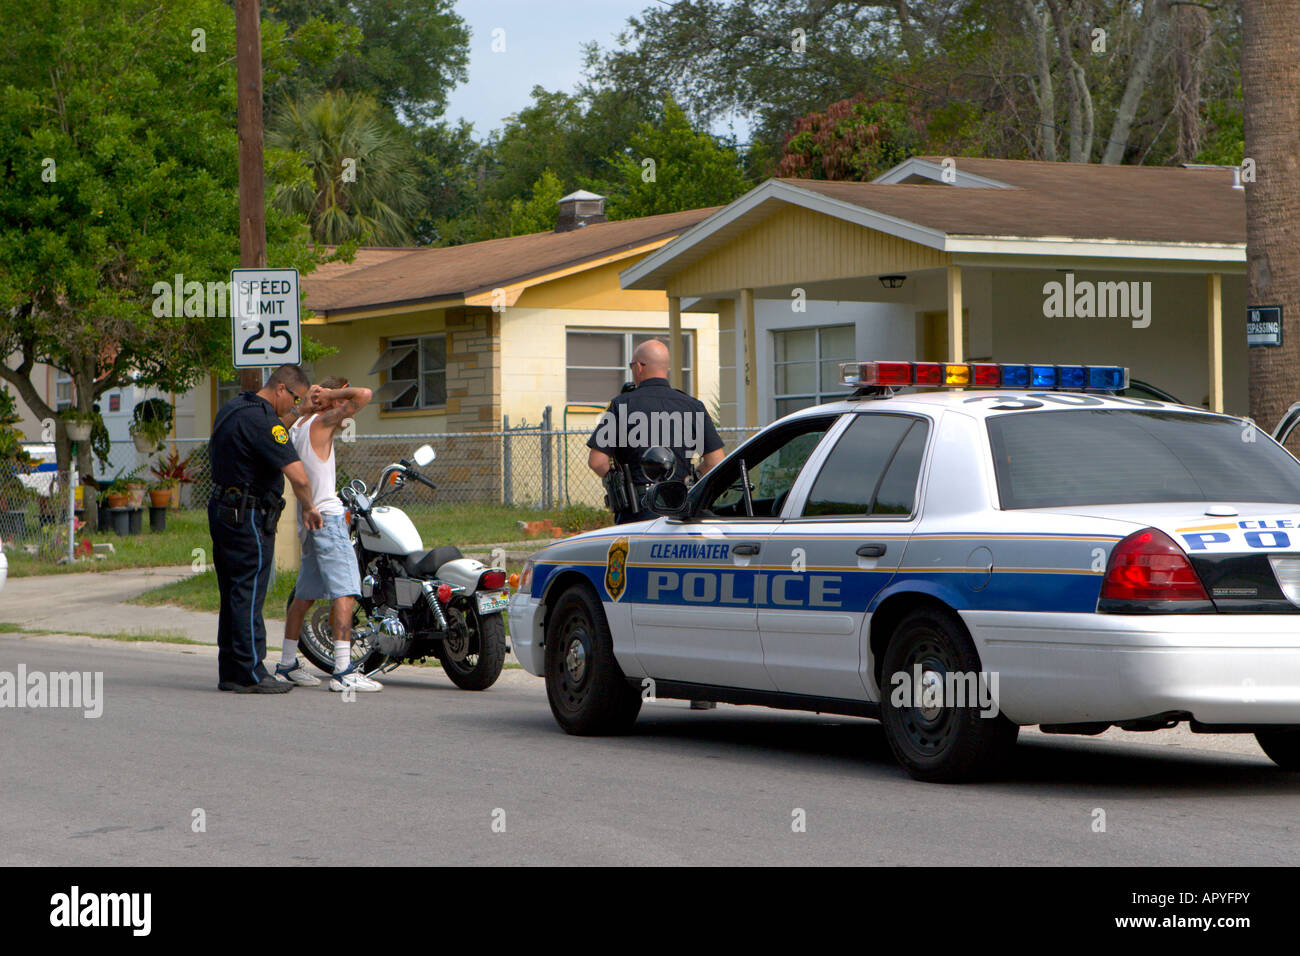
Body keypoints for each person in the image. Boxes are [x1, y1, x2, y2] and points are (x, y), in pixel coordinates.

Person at [208, 365, 323, 693]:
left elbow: (273, 429)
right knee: (250, 592)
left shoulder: (234, 408)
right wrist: (310, 508)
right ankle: (252, 673)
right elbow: (298, 476)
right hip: (249, 517)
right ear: (282, 389)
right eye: (296, 399)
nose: (295, 406)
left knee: (232, 593)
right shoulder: (264, 422)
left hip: (223, 511)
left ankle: (230, 670)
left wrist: (300, 414)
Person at [274, 377, 377, 692]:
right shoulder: (322, 420)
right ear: (328, 398)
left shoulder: (298, 425)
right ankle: (344, 672)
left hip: (308, 520)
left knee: (304, 595)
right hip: (327, 517)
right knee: (345, 591)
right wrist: (332, 394)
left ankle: (286, 665)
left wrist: (315, 399)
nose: (342, 404)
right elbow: (364, 393)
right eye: (336, 396)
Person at [587, 338, 725, 522]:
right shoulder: (693, 406)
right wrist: (689, 481)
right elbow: (715, 461)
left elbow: (597, 461)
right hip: (679, 506)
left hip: (636, 509)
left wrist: (621, 487)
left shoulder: (621, 405)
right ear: (665, 368)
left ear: (639, 366)